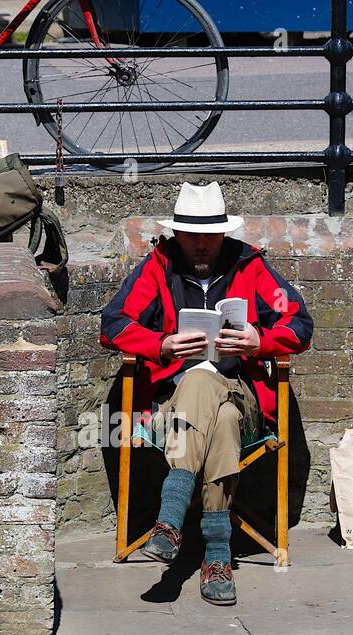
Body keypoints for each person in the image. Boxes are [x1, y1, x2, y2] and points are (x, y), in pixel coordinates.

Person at [99, 181, 314, 606]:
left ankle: (170, 521)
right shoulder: (158, 266)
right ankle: (217, 555)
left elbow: (300, 325)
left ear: (224, 235)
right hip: (172, 406)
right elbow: (112, 324)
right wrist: (160, 345)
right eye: (191, 236)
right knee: (221, 420)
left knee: (210, 388)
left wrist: (259, 341)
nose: (200, 245)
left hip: (242, 393)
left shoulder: (250, 267)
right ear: (177, 234)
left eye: (209, 236)